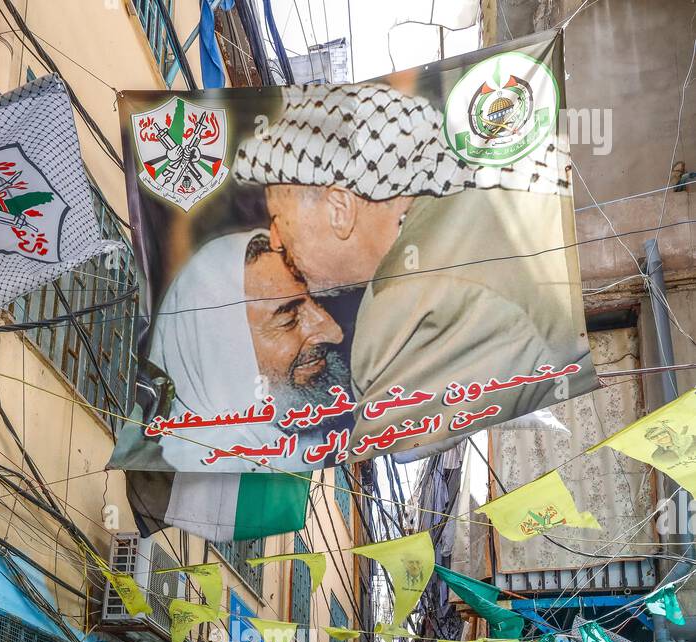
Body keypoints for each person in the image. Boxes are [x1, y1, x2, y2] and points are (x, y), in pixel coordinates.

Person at [234, 84, 594, 458]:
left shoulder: (398, 305)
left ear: (339, 210)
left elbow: (401, 445)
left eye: (279, 220)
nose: (275, 240)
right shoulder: (461, 215)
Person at [145, 228, 348, 474]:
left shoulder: (307, 444)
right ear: (221, 353)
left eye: (320, 304)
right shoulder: (189, 471)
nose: (333, 331)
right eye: (289, 320)